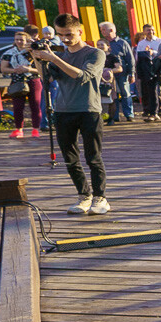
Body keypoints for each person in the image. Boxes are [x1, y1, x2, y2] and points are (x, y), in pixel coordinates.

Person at [31, 13, 110, 215]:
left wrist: (54, 58)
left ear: (80, 31)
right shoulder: (60, 55)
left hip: (89, 109)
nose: (65, 39)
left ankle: (100, 198)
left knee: (93, 157)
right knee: (70, 158)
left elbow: (82, 76)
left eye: (69, 34)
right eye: (60, 35)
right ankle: (84, 196)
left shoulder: (95, 53)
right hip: (63, 110)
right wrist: (37, 57)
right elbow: (47, 78)